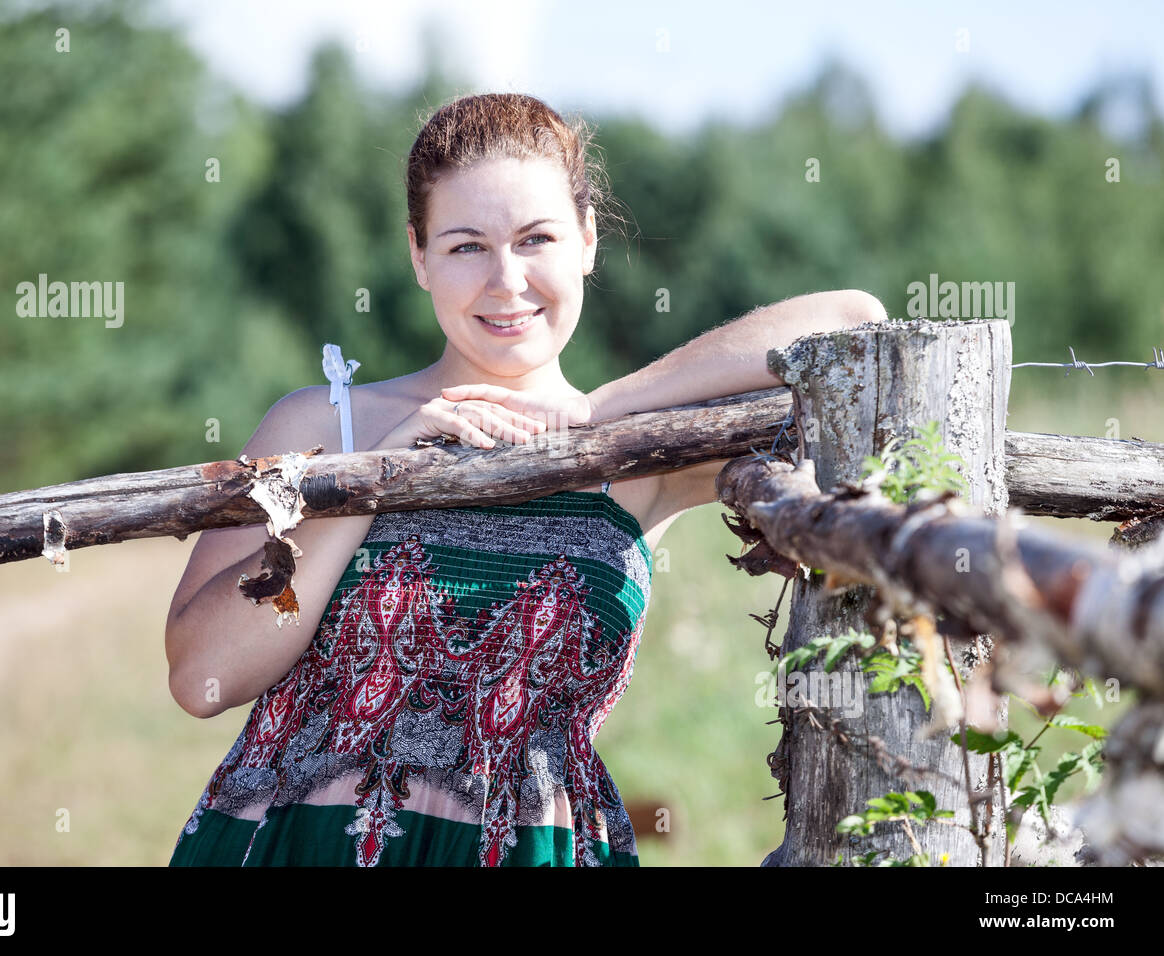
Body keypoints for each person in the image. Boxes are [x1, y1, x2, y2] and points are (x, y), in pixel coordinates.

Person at [164, 92, 885, 866]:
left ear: (587, 240)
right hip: (296, 846)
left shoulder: (635, 456)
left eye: (536, 238)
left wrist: (600, 408)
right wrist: (370, 483)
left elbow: (854, 317)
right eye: (467, 246)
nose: (506, 282)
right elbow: (202, 675)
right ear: (418, 255)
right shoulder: (322, 425)